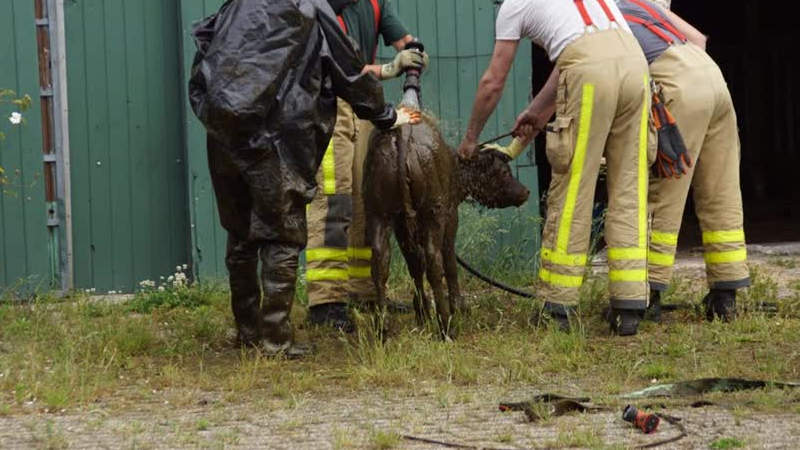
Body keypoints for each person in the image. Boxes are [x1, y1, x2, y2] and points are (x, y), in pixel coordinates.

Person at [188, 0, 420, 358]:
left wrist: (215, 113)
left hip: (225, 130)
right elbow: (350, 74)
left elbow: (205, 47)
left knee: (240, 234)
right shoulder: (314, 9)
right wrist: (387, 115)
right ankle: (276, 341)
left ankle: (248, 332)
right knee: (284, 230)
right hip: (275, 135)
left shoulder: (238, 4)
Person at [458, 0, 652, 335]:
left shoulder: (512, 7)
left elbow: (493, 83)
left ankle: (557, 308)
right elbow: (572, 57)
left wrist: (470, 140)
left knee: (574, 186)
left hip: (591, 73)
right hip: (636, 67)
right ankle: (629, 306)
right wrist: (537, 111)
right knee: (630, 186)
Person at [616, 0, 750, 322]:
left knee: (664, 191)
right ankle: (725, 296)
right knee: (721, 190)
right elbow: (700, 40)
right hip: (714, 81)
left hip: (681, 86)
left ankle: (649, 294)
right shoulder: (643, 5)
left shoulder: (601, 17)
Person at [306, 0, 430, 333]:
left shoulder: (376, 3)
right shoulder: (324, 5)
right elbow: (338, 65)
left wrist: (414, 60)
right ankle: (325, 301)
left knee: (364, 201)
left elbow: (407, 43)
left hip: (363, 106)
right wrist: (390, 69)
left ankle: (362, 291)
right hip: (326, 103)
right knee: (333, 198)